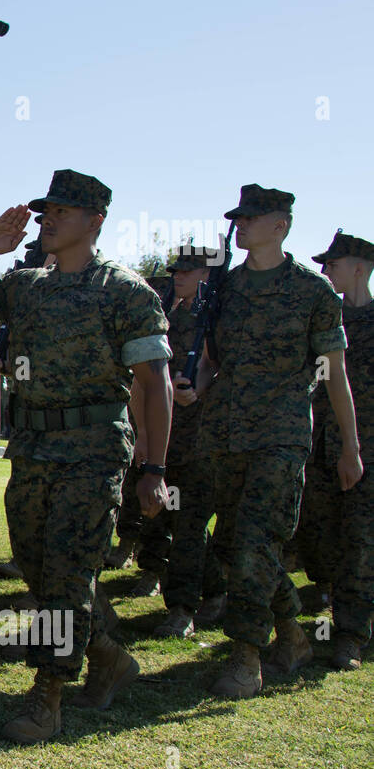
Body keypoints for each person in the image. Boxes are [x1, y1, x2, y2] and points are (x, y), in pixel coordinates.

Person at [0, 169, 173, 743]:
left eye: (62, 212)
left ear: (95, 221)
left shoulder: (125, 291)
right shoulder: (26, 286)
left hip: (94, 452)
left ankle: (47, 695)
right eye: (44, 211)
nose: (48, 220)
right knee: (40, 569)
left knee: (70, 575)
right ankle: (108, 656)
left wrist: (154, 470)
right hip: (33, 448)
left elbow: (156, 384)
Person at [195, 186, 361, 698]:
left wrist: (350, 446)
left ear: (280, 225)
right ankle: (292, 629)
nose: (240, 226)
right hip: (225, 433)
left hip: (281, 436)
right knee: (231, 543)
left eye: (251, 218)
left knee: (254, 544)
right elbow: (209, 360)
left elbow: (333, 372)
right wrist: (192, 388)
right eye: (237, 218)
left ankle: (246, 657)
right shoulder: (226, 289)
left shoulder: (312, 292)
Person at [293, 231, 374, 669]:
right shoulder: (325, 318)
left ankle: (351, 635)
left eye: (334, 265)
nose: (326, 272)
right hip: (319, 445)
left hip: (367, 449)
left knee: (360, 541)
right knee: (323, 535)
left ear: (359, 268)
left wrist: (354, 446)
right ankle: (335, 607)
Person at [148, 247, 228, 637]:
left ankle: (181, 608)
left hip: (204, 438)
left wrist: (199, 387)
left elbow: (220, 368)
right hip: (170, 440)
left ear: (207, 275)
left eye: (188, 269)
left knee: (190, 524)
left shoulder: (216, 319)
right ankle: (216, 589)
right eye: (175, 269)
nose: (177, 275)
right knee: (180, 519)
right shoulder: (166, 313)